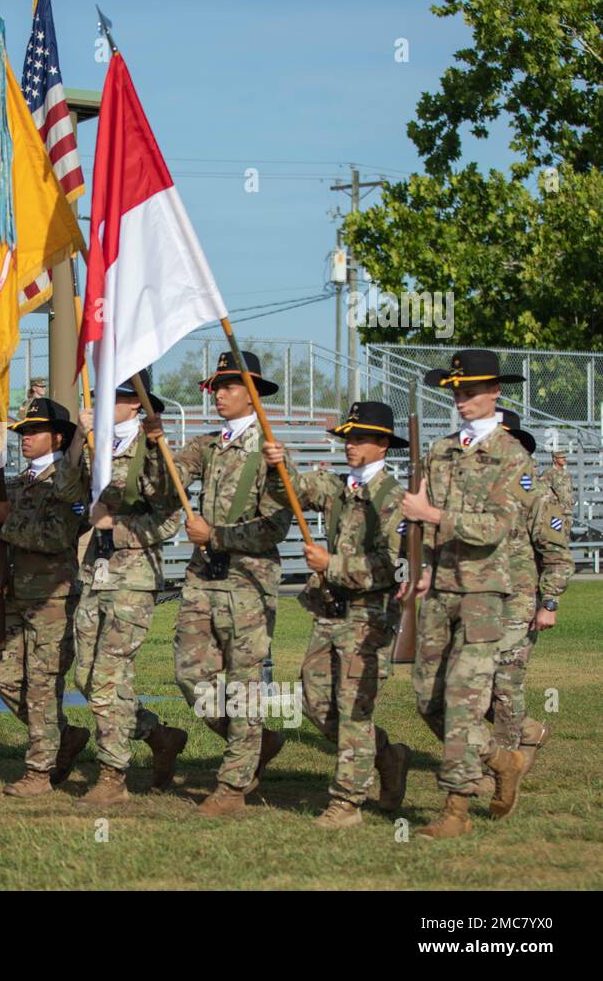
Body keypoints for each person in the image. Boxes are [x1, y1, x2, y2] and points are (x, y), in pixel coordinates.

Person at [400, 349, 547, 839]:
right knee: (428, 698)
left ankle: (455, 810)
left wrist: (433, 517)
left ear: (495, 394)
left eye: (471, 392)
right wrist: (417, 565)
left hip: (485, 591)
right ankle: (500, 759)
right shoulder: (439, 451)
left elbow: (498, 527)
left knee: (464, 697)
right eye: (457, 392)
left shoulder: (513, 457)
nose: (462, 400)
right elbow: (414, 520)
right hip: (440, 588)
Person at [260, 401, 413, 828]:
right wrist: (279, 464)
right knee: (315, 703)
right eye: (348, 437)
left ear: (383, 444)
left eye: (361, 438)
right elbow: (293, 489)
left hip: (369, 617)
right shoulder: (339, 488)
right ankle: (387, 755)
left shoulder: (394, 500)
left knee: (353, 710)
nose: (351, 445)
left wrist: (334, 566)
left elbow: (395, 567)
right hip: (330, 613)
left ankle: (347, 802)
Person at [166, 351, 293, 816]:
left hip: (247, 583)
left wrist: (215, 535)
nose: (219, 393)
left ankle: (234, 785)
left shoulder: (272, 452)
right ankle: (256, 743)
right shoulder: (210, 444)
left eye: (231, 385)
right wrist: (145, 439)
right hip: (204, 578)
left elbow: (276, 527)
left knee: (243, 686)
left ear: (254, 394)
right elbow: (169, 475)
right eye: (216, 385)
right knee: (190, 675)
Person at [55, 372, 185, 805]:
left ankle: (112, 776)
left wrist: (119, 527)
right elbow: (66, 490)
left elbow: (172, 516)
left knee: (109, 677)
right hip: (97, 572)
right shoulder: (99, 445)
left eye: (120, 395)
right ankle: (158, 734)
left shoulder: (153, 449)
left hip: (133, 578)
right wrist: (78, 439)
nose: (110, 401)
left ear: (137, 404)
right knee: (87, 676)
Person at [0, 398, 90, 797]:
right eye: (22, 432)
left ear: (59, 437)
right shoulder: (17, 481)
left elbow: (58, 536)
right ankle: (63, 737)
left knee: (43, 686)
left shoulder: (68, 482)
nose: (25, 437)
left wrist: (7, 520)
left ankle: (38, 772)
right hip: (15, 597)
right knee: (3, 677)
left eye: (33, 431)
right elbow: (3, 543)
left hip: (52, 598)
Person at [477, 409, 571, 788]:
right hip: (477, 600)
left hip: (518, 601)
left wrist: (549, 602)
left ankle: (500, 770)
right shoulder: (477, 487)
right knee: (465, 684)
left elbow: (558, 553)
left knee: (505, 684)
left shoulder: (535, 491)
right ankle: (529, 730)